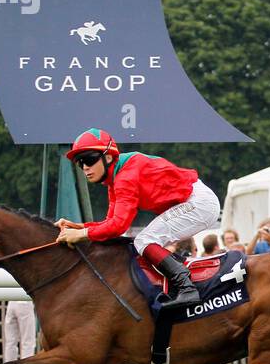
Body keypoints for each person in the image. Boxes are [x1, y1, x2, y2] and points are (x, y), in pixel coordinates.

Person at [55, 128, 220, 311]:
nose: (85, 167)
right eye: (80, 163)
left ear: (108, 157)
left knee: (145, 240)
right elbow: (111, 222)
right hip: (195, 200)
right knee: (146, 240)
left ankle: (187, 288)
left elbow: (118, 226)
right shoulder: (116, 177)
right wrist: (80, 227)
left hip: (199, 202)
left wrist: (82, 234)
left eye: (89, 159)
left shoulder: (126, 177)